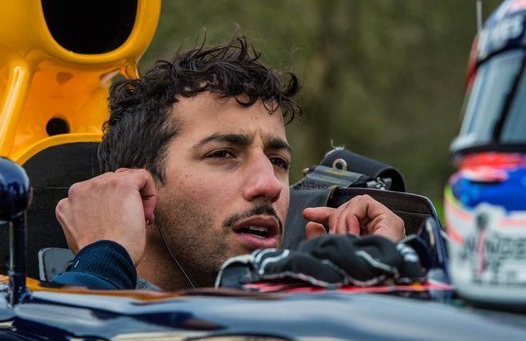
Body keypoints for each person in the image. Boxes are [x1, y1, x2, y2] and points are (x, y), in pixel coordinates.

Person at [53, 35, 405, 290]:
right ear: (136, 188)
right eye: (223, 154)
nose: (268, 184)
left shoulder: (307, 305)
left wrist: (375, 283)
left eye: (278, 161)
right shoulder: (27, 312)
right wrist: (101, 262)